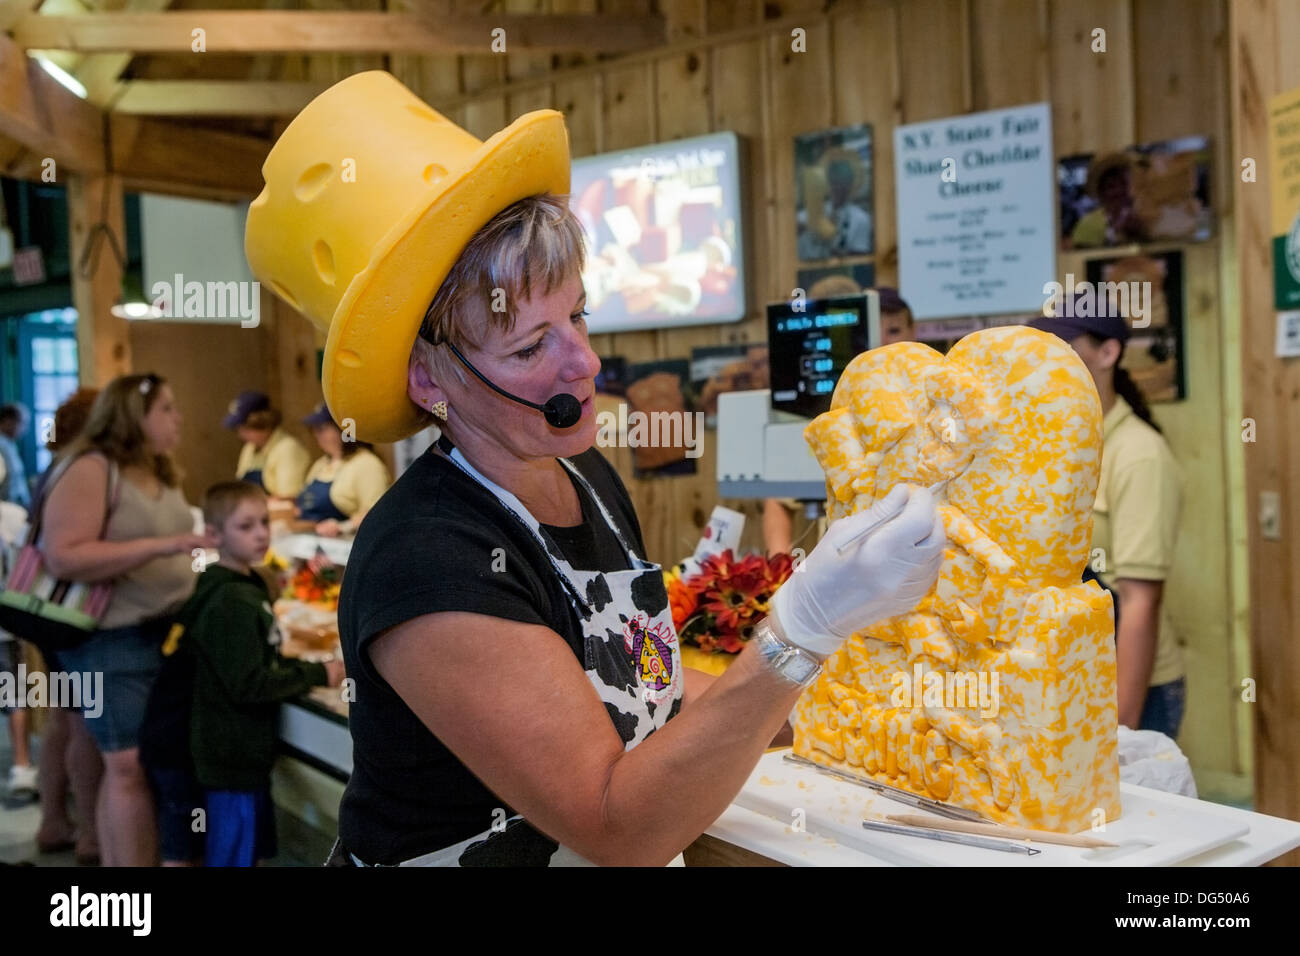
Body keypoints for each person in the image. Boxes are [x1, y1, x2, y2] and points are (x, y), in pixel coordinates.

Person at [244, 71, 945, 867]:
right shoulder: (427, 556)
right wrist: (802, 630)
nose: (583, 362)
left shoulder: (587, 481)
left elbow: (655, 691)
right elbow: (616, 826)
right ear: (432, 380)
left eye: (576, 314)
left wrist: (855, 714)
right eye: (529, 345)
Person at [40, 373, 216, 866]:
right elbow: (65, 556)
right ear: (134, 416)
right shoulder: (92, 469)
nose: (178, 419)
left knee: (145, 766)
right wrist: (163, 547)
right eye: (167, 409)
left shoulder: (159, 470)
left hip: (167, 634)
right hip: (113, 640)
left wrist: (205, 562)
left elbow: (181, 548)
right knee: (127, 767)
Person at [143, 481, 343, 867]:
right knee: (235, 854)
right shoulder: (231, 600)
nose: (262, 533)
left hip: (232, 755)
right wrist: (316, 675)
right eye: (246, 526)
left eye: (265, 522)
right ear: (215, 535)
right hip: (232, 760)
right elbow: (248, 681)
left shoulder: (237, 585)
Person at [1030, 304, 1186, 738]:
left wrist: (1120, 726)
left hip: (1130, 684)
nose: (1048, 362)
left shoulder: (1139, 454)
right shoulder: (1051, 448)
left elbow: (1141, 600)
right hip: (1067, 677)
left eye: (1063, 348)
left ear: (1108, 352)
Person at [31, 387, 104, 863]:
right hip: (72, 613)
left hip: (43, 612)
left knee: (61, 719)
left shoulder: (52, 470)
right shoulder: (82, 472)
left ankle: (53, 819)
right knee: (83, 726)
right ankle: (92, 836)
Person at [295, 403, 390, 538]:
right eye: (314, 429)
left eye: (322, 429)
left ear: (344, 429)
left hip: (348, 547)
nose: (317, 435)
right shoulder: (320, 464)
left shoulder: (367, 464)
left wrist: (343, 527)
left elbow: (377, 513)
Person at [224, 391, 311, 499]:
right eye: (238, 430)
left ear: (264, 422)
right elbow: (240, 488)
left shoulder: (288, 448)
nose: (241, 435)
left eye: (245, 429)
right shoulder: (249, 448)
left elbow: (289, 498)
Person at [1069, 152, 1146, 249]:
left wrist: (1140, 233)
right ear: (1101, 193)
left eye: (1123, 183)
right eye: (1111, 186)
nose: (1119, 190)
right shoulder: (1088, 224)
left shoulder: (1145, 214)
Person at [0, 402, 32, 510]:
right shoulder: (2, 445)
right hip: (7, 509)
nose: (25, 429)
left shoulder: (9, 444)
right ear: (8, 421)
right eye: (23, 423)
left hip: (17, 507)